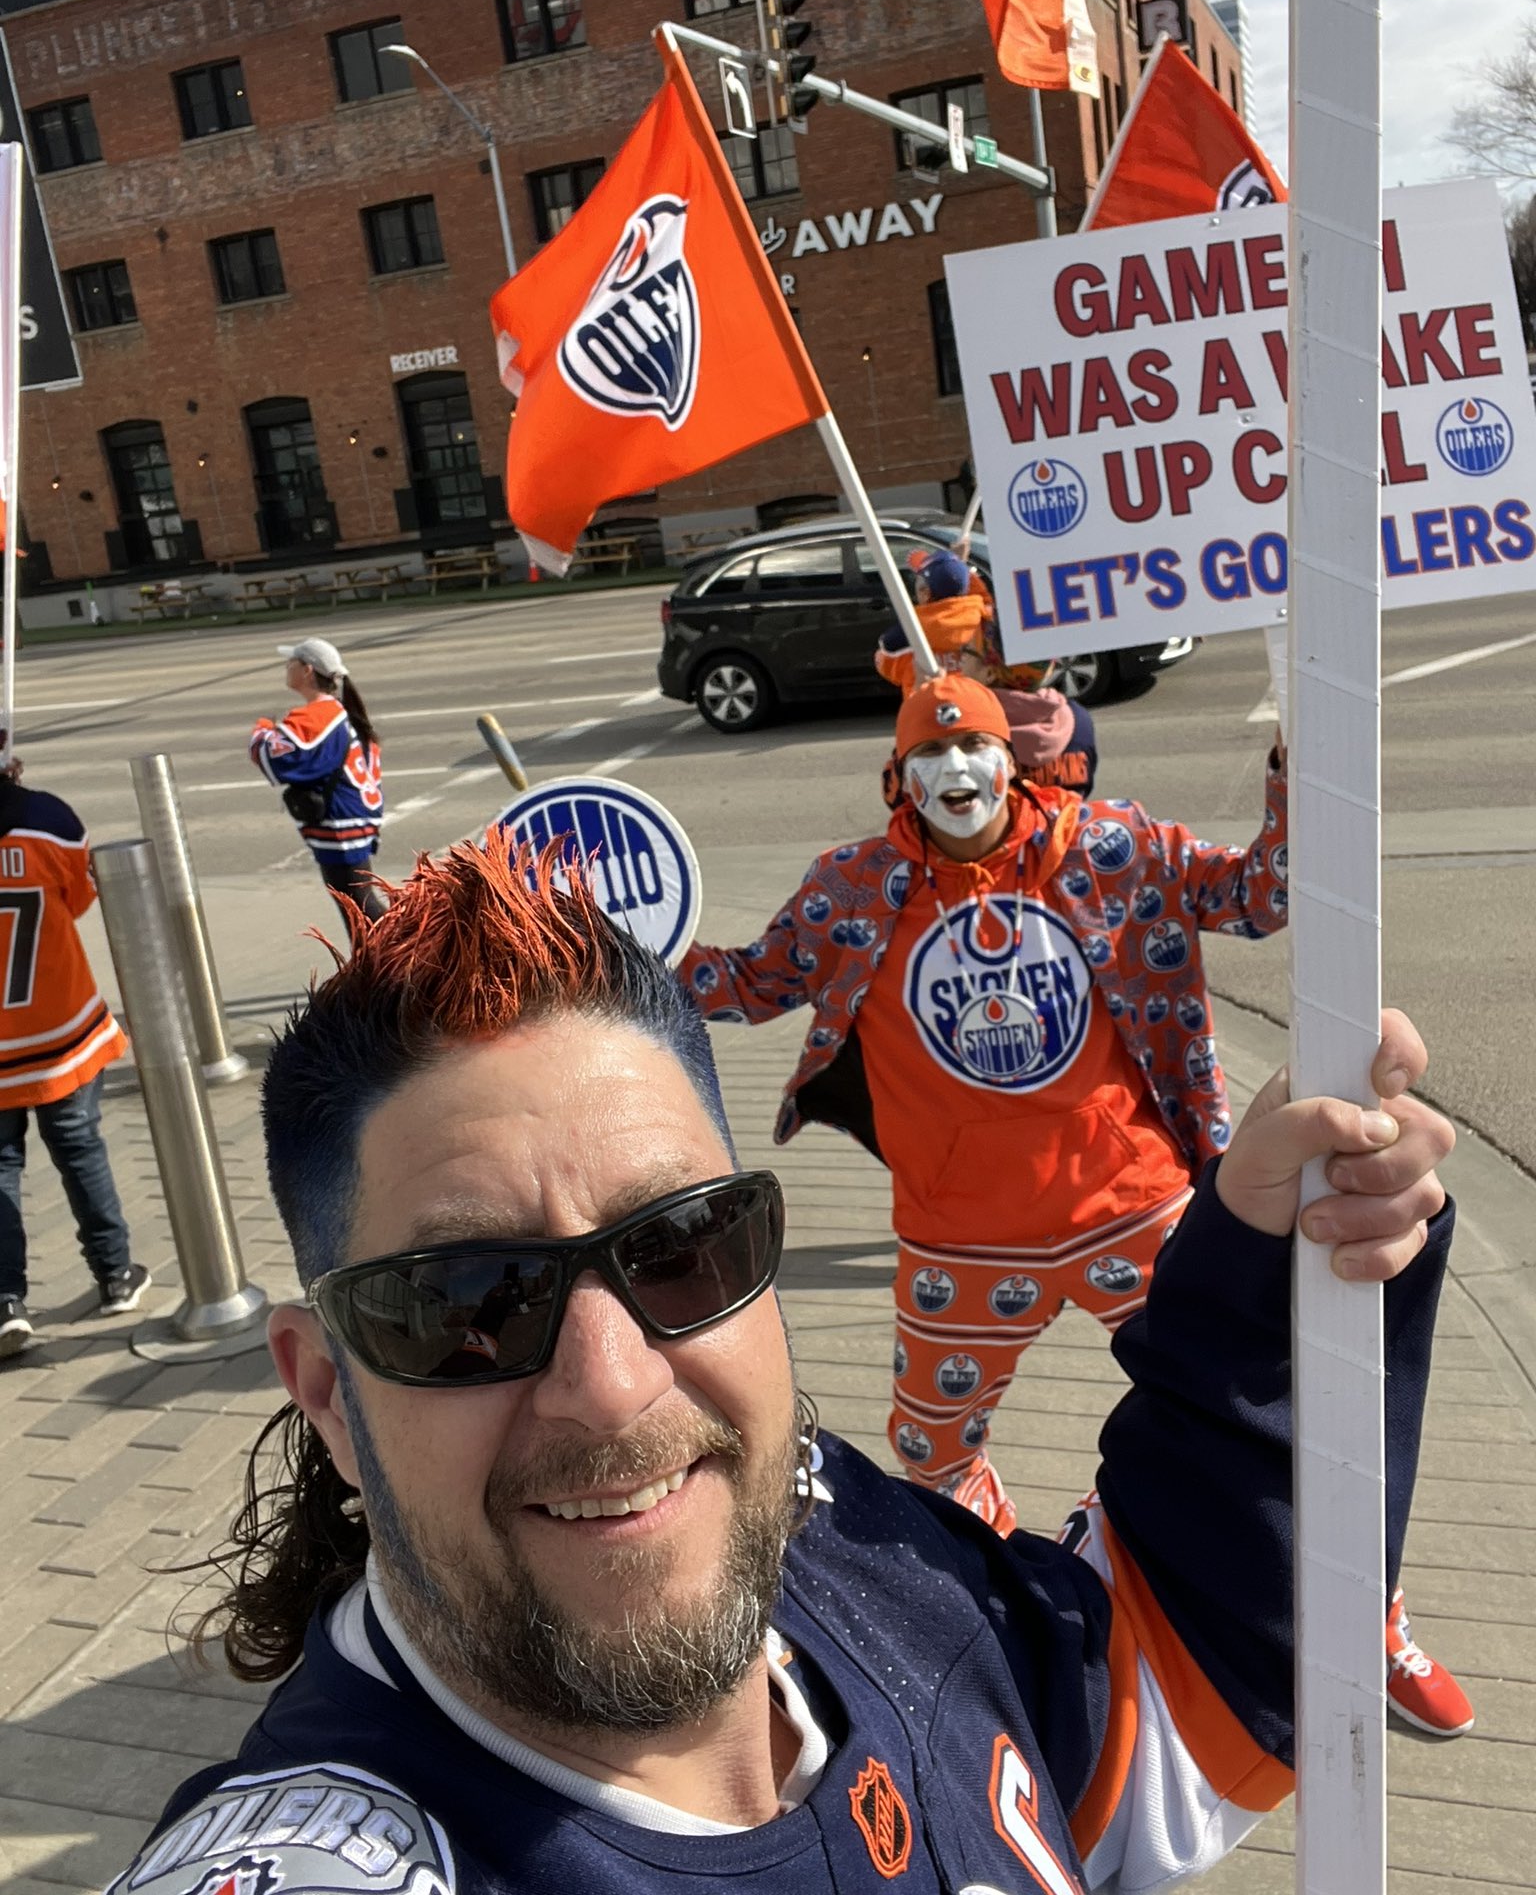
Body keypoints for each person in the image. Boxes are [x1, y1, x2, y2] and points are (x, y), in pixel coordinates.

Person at [114, 837, 1455, 1894]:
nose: (615, 1384)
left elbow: (1158, 1695)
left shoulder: (835, 1536)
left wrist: (1276, 1282)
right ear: (325, 1392)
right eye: (468, 1300)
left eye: (682, 1247)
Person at [682, 672, 1471, 1734]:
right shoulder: (854, 885)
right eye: (932, 755)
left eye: (975, 750)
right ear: (898, 778)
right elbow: (752, 981)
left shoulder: (1108, 845)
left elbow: (1260, 894)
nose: (956, 772)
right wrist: (638, 939)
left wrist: (1300, 768)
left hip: (1135, 1206)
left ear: (1013, 759)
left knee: (1291, 1402)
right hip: (961, 1235)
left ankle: (1360, 1613)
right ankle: (1000, 1593)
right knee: (930, 1451)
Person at [0, 759, 149, 1357]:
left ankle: (6, 1300)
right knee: (80, 1148)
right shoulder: (47, 818)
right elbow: (81, 898)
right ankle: (114, 1273)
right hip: (58, 1025)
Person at [875, 547, 1097, 793]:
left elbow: (899, 793)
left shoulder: (960, 732)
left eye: (968, 650)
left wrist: (922, 709)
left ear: (990, 673)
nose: (960, 659)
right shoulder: (1077, 722)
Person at [250, 638, 386, 925]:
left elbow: (276, 756)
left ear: (307, 670)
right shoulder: (339, 711)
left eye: (291, 663)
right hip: (354, 818)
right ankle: (383, 963)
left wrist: (262, 729)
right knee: (359, 905)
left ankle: (405, 963)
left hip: (340, 824)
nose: (286, 668)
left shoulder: (317, 715)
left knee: (359, 909)